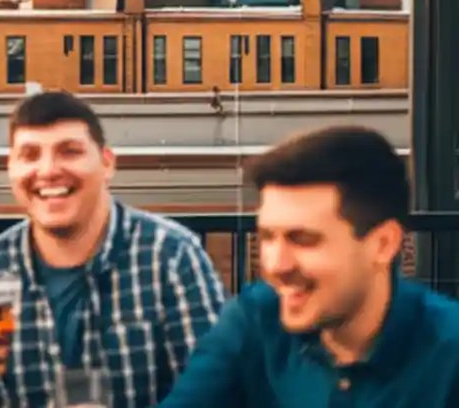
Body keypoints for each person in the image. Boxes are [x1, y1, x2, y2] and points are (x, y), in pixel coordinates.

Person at [0, 91, 226, 407]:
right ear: (10, 168)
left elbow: (220, 393)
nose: (49, 170)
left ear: (107, 163)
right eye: (30, 155)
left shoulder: (168, 257)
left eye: (70, 151)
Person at [159, 125, 459, 407]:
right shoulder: (255, 319)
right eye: (266, 237)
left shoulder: (447, 353)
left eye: (303, 239)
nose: (276, 265)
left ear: (383, 244)